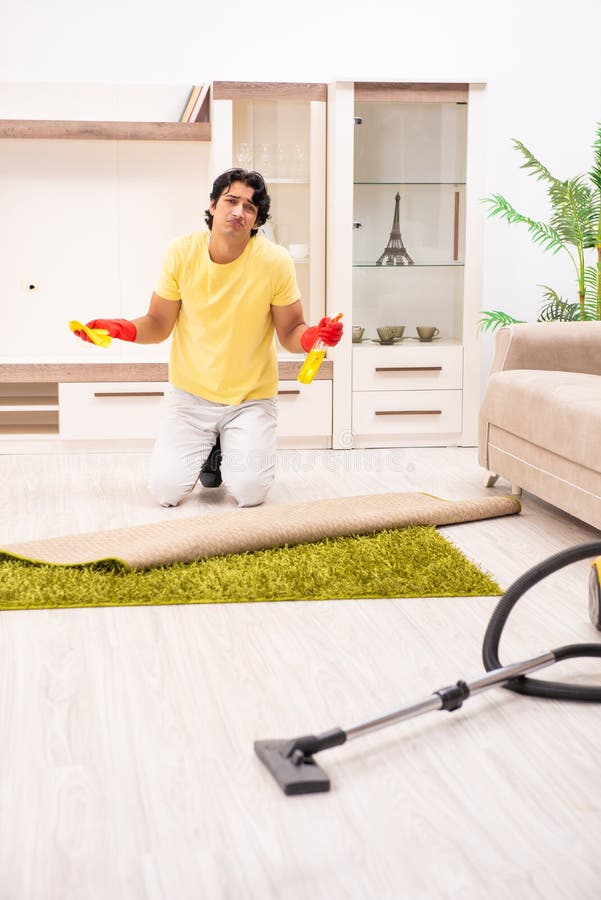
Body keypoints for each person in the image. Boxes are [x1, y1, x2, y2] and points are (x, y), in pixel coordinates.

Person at [73, 167, 343, 508]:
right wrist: (120, 329)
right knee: (165, 491)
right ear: (213, 206)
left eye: (249, 207)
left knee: (248, 492)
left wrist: (314, 337)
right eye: (231, 200)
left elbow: (290, 331)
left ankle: (224, 445)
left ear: (257, 221)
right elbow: (158, 323)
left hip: (250, 399)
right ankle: (211, 450)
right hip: (191, 396)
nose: (238, 211)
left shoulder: (275, 261)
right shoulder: (181, 252)